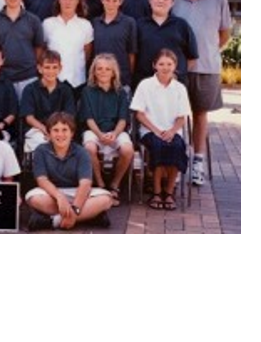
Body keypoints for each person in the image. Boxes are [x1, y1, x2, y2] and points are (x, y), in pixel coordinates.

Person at [171, 0, 234, 186]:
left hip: (206, 68)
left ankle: (197, 162)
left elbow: (225, 32)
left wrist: (208, 50)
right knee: (173, 114)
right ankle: (173, 163)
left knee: (199, 114)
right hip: (177, 69)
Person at [24, 112, 113, 231]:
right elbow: (42, 180)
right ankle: (90, 217)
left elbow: (85, 184)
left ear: (72, 133)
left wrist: (75, 208)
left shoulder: (81, 152)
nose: (60, 134)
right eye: (55, 130)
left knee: (106, 199)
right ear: (49, 133)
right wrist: (59, 197)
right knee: (33, 198)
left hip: (77, 192)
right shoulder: (41, 150)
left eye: (64, 130)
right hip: (52, 194)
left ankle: (54, 221)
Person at [131, 49, 192, 211]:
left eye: (169, 64)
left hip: (172, 130)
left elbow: (182, 117)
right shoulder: (145, 85)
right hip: (150, 130)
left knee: (176, 146)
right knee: (158, 146)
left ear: (175, 66)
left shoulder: (180, 88)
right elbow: (139, 114)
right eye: (161, 64)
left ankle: (169, 192)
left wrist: (172, 131)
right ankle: (157, 192)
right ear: (154, 65)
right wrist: (157, 131)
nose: (165, 67)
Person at [79, 54, 134, 207]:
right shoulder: (87, 91)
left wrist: (114, 134)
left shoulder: (121, 92)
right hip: (94, 130)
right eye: (99, 69)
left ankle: (115, 185)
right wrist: (100, 135)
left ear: (113, 72)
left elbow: (123, 119)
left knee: (128, 150)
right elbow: (88, 118)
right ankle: (101, 184)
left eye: (107, 69)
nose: (103, 72)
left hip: (115, 130)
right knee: (89, 147)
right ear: (94, 71)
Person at [135, 0, 197, 87]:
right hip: (145, 84)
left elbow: (192, 57)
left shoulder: (181, 25)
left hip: (175, 84)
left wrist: (177, 74)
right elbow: (132, 55)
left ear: (172, 3)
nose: (161, 1)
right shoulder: (139, 25)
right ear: (150, 1)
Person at [20, 50, 76, 154]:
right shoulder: (30, 89)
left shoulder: (66, 90)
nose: (51, 71)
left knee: (64, 143)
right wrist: (45, 130)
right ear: (40, 68)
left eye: (54, 67)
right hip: (37, 129)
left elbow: (69, 116)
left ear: (60, 68)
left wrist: (56, 131)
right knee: (43, 144)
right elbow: (29, 117)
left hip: (60, 128)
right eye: (47, 67)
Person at [42, 0, 94, 93]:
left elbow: (87, 53)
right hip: (53, 80)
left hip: (77, 81)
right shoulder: (48, 24)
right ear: (59, 0)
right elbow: (43, 50)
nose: (68, 2)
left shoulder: (85, 25)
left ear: (78, 0)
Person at [91, 0, 138, 88]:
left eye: (114, 1)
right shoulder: (95, 22)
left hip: (121, 77)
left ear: (121, 1)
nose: (110, 4)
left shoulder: (129, 22)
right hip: (99, 77)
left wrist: (129, 76)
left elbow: (131, 53)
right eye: (107, 0)